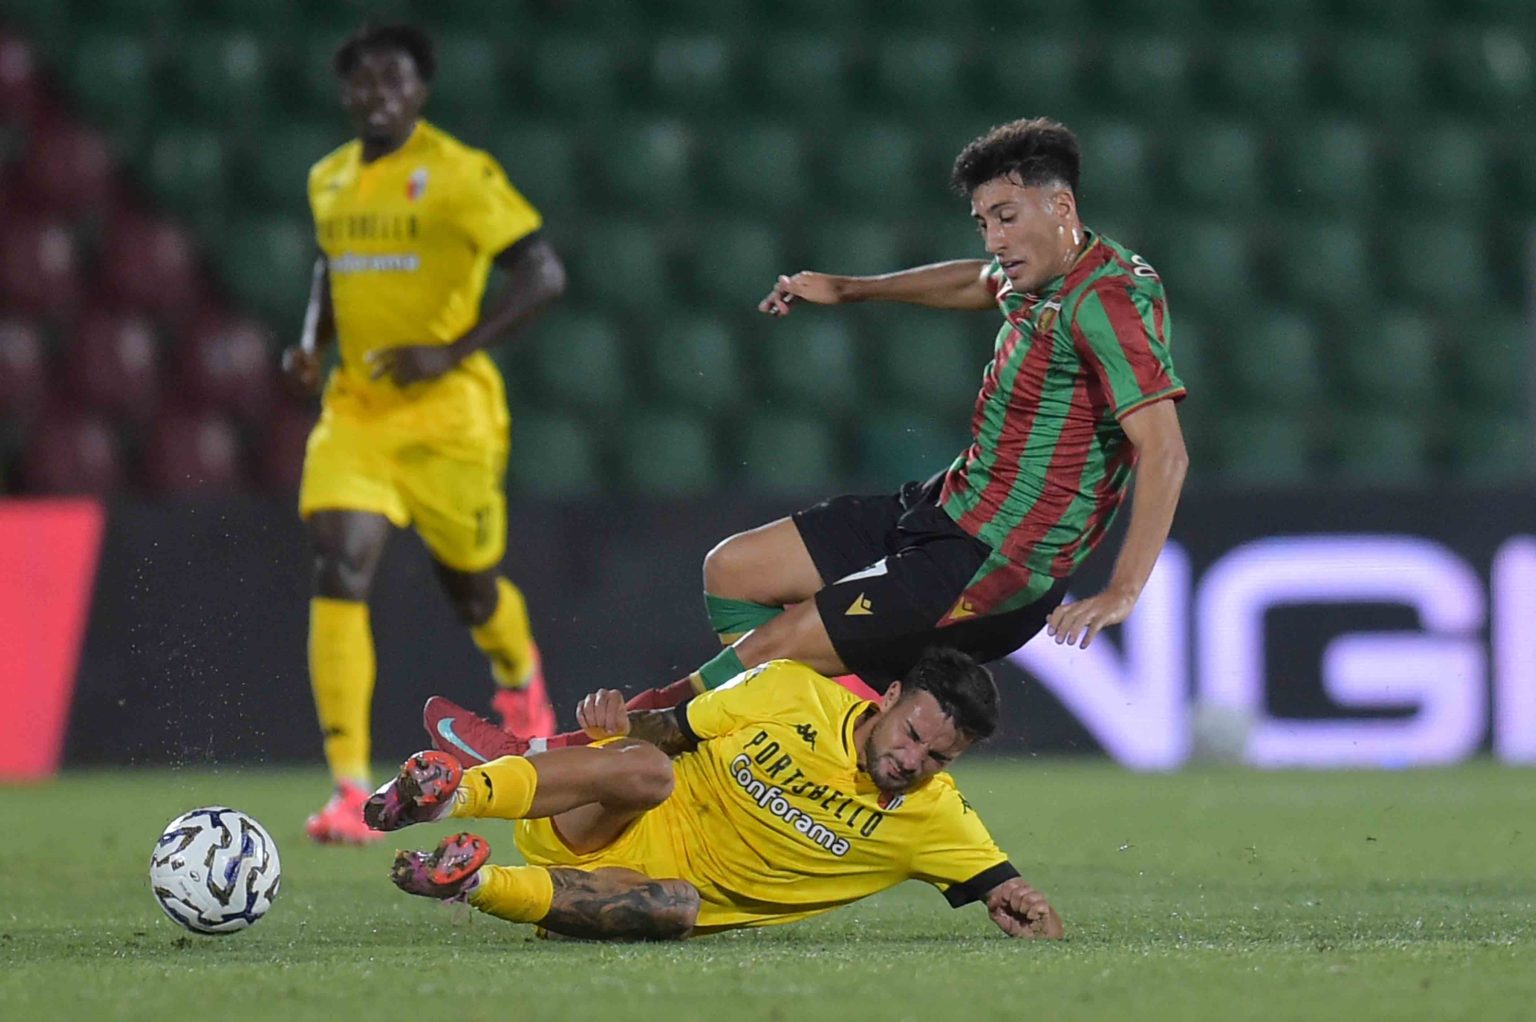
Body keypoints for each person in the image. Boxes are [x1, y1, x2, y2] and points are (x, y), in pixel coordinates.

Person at [424, 116, 1188, 766]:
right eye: (984, 220)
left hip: (995, 562)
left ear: (1061, 206)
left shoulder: (1108, 301)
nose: (995, 237)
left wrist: (1122, 590)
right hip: (947, 508)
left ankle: (572, 753)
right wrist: (854, 289)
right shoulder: (1036, 272)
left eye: (1007, 216)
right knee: (736, 569)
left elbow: (1165, 449)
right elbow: (977, 282)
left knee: (774, 646)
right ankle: (795, 737)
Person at [279, 23, 565, 844]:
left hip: (451, 423)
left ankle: (518, 674)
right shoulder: (328, 179)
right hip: (358, 414)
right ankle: (346, 786)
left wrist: (451, 350)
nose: (381, 96)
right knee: (339, 562)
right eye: (366, 84)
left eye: (397, 82)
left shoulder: (459, 175)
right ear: (348, 94)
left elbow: (544, 273)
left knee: (470, 588)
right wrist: (311, 346)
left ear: (421, 91)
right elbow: (328, 268)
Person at [368, 648, 1064, 941]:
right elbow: (665, 731)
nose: (914, 761)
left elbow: (1014, 893)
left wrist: (1026, 909)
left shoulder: (936, 819)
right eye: (912, 734)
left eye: (938, 758)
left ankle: (467, 880)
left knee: (680, 906)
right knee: (650, 769)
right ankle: (448, 797)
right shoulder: (790, 689)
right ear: (885, 698)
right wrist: (609, 724)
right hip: (593, 823)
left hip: (617, 894)